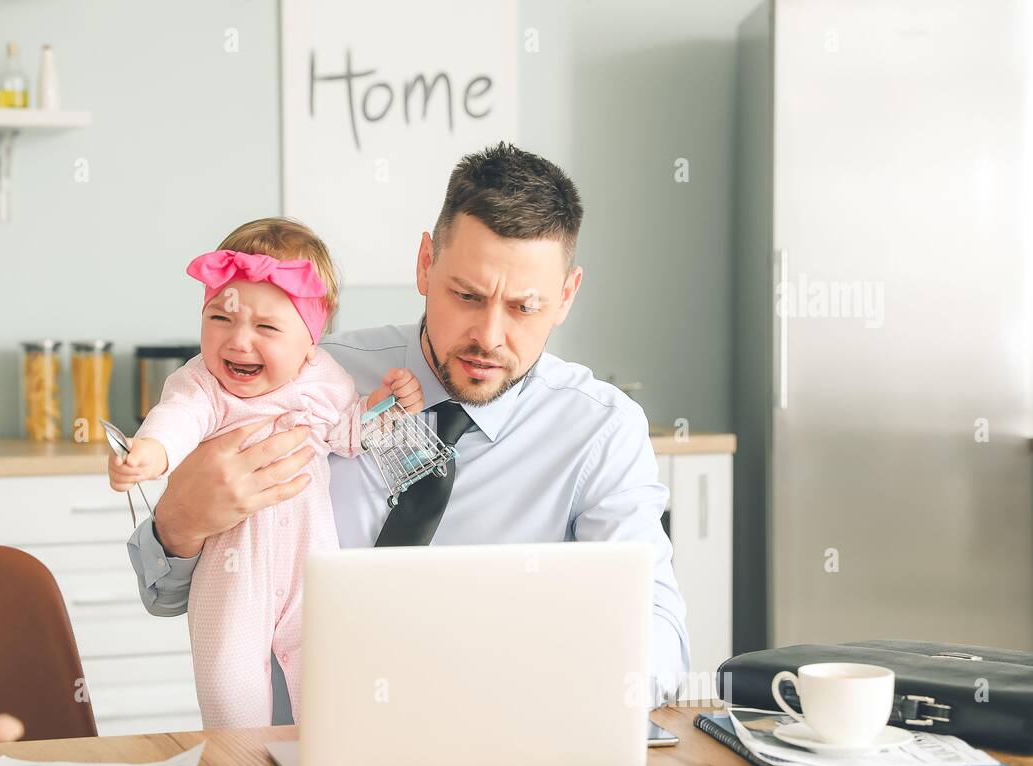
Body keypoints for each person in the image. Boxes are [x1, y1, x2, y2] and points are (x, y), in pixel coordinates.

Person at [127, 142, 690, 720]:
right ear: (425, 264)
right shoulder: (304, 380)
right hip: (288, 762)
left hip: (494, 761)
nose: (490, 336)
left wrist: (570, 700)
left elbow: (658, 627)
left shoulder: (599, 431)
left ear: (565, 296)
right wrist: (181, 520)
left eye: (524, 308)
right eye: (467, 296)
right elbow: (162, 596)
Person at [109, 218, 420, 728]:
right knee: (230, 693)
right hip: (231, 578)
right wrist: (149, 452)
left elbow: (348, 434)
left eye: (267, 328)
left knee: (328, 694)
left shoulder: (324, 380)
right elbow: (177, 422)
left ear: (309, 344)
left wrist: (384, 407)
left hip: (311, 569)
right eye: (220, 319)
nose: (238, 341)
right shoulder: (201, 384)